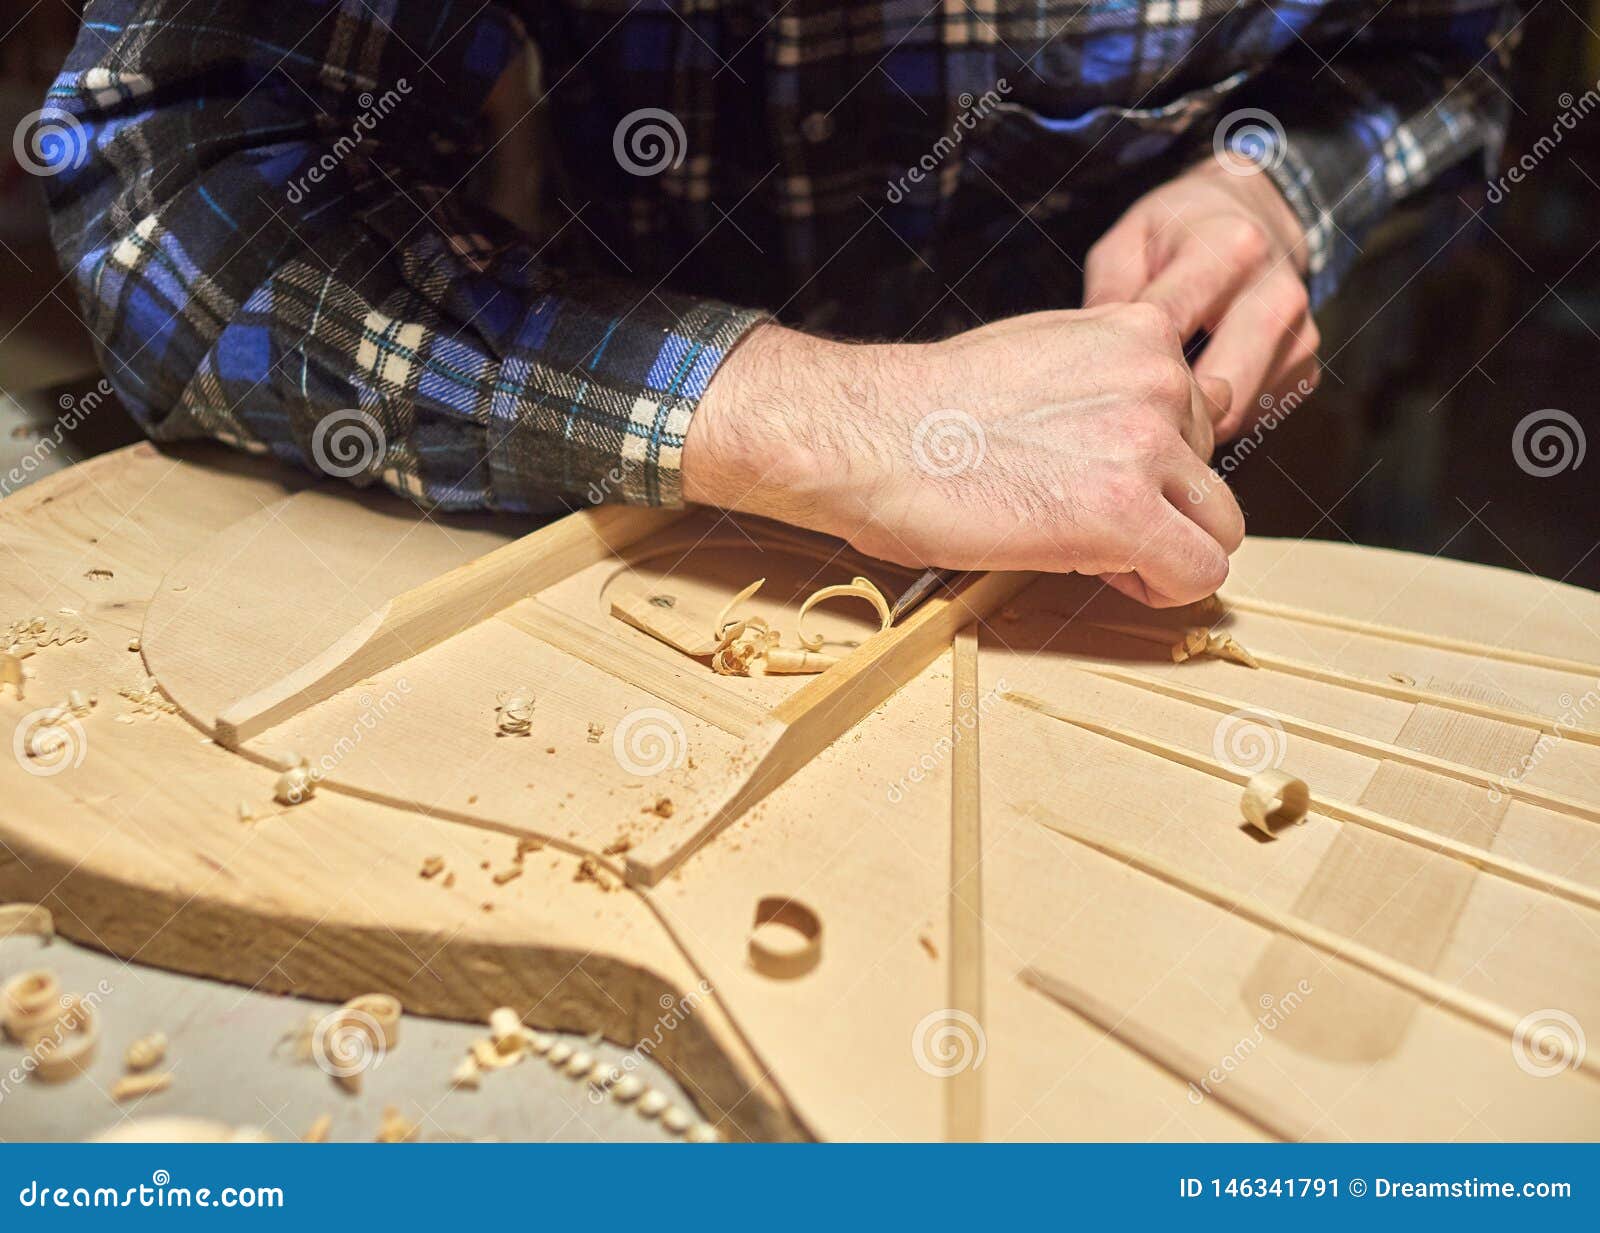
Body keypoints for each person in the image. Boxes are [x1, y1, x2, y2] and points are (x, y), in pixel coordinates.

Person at [44, 1, 1513, 606]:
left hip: (1135, 574)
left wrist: (1272, 188)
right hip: (639, 520)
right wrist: (820, 418)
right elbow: (180, 171)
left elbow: (1441, 50)